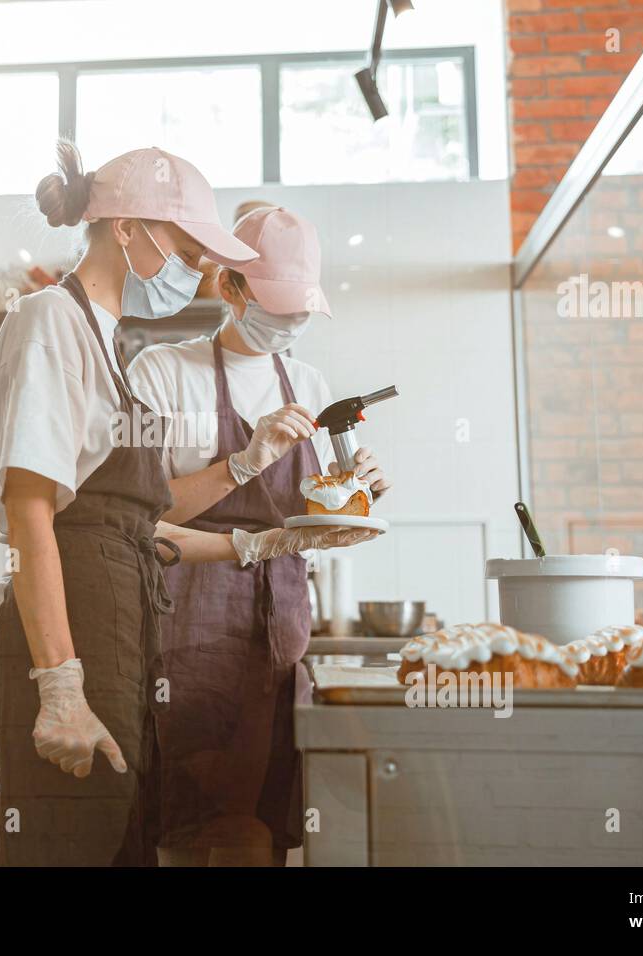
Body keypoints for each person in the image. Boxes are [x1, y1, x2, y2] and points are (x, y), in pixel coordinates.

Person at [0, 144, 376, 866]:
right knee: (79, 844)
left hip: (122, 631)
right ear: (126, 228)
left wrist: (278, 538)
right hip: (86, 639)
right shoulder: (50, 320)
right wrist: (60, 685)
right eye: (189, 251)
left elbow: (133, 529)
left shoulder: (101, 337)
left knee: (115, 841)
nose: (194, 272)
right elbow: (29, 512)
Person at [128, 205, 390, 866]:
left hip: (279, 641)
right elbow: (135, 519)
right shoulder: (161, 374)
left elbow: (312, 514)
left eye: (301, 311)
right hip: (186, 639)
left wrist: (355, 492)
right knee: (189, 826)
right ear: (230, 289)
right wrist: (244, 461)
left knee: (261, 828)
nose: (290, 324)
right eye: (277, 306)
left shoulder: (307, 383)